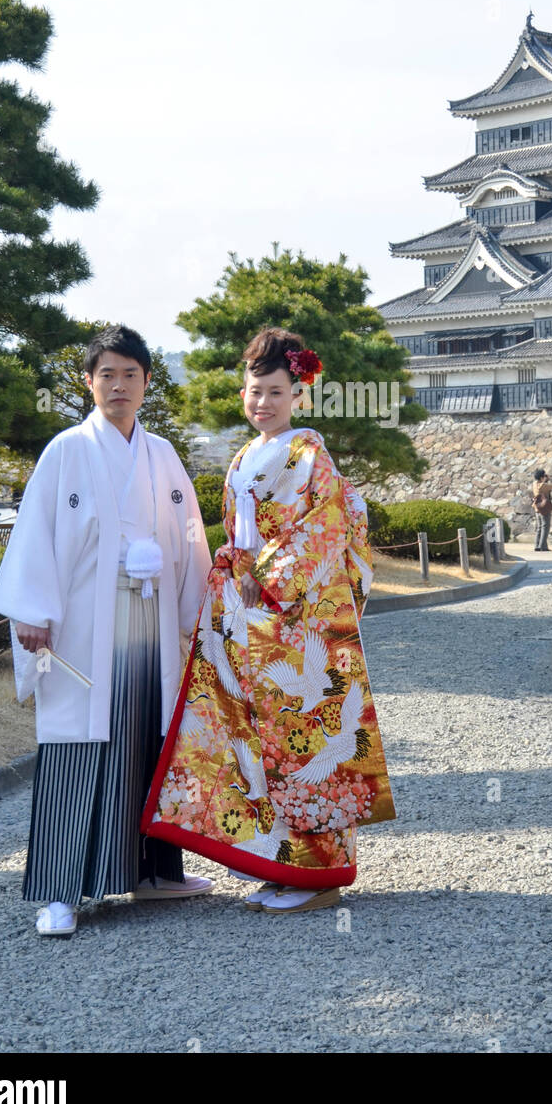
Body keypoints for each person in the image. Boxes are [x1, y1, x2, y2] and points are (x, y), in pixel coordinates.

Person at [142, 326, 396, 915]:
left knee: (306, 736)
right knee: (259, 739)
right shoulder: (244, 454)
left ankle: (323, 873)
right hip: (247, 609)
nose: (264, 402)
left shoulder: (310, 454)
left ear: (298, 395)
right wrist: (239, 579)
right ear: (243, 393)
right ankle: (284, 863)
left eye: (276, 392)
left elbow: (331, 523)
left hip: (296, 614)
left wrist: (266, 573)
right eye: (255, 390)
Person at [0, 325, 213, 936]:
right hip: (86, 621)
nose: (118, 385)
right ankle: (60, 892)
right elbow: (35, 532)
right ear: (89, 382)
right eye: (106, 374)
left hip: (153, 615)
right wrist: (32, 609)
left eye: (130, 374)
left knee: (148, 734)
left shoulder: (161, 454)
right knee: (78, 744)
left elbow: (191, 534)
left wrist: (198, 607)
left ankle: (154, 874)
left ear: (146, 381)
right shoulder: (66, 450)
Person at [532, 468, 552, 551]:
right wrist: (549, 479)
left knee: (539, 528)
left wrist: (544, 479)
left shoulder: (534, 483)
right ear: (541, 477)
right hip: (544, 508)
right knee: (545, 527)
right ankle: (541, 546)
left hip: (537, 507)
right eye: (544, 475)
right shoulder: (543, 485)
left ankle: (537, 545)